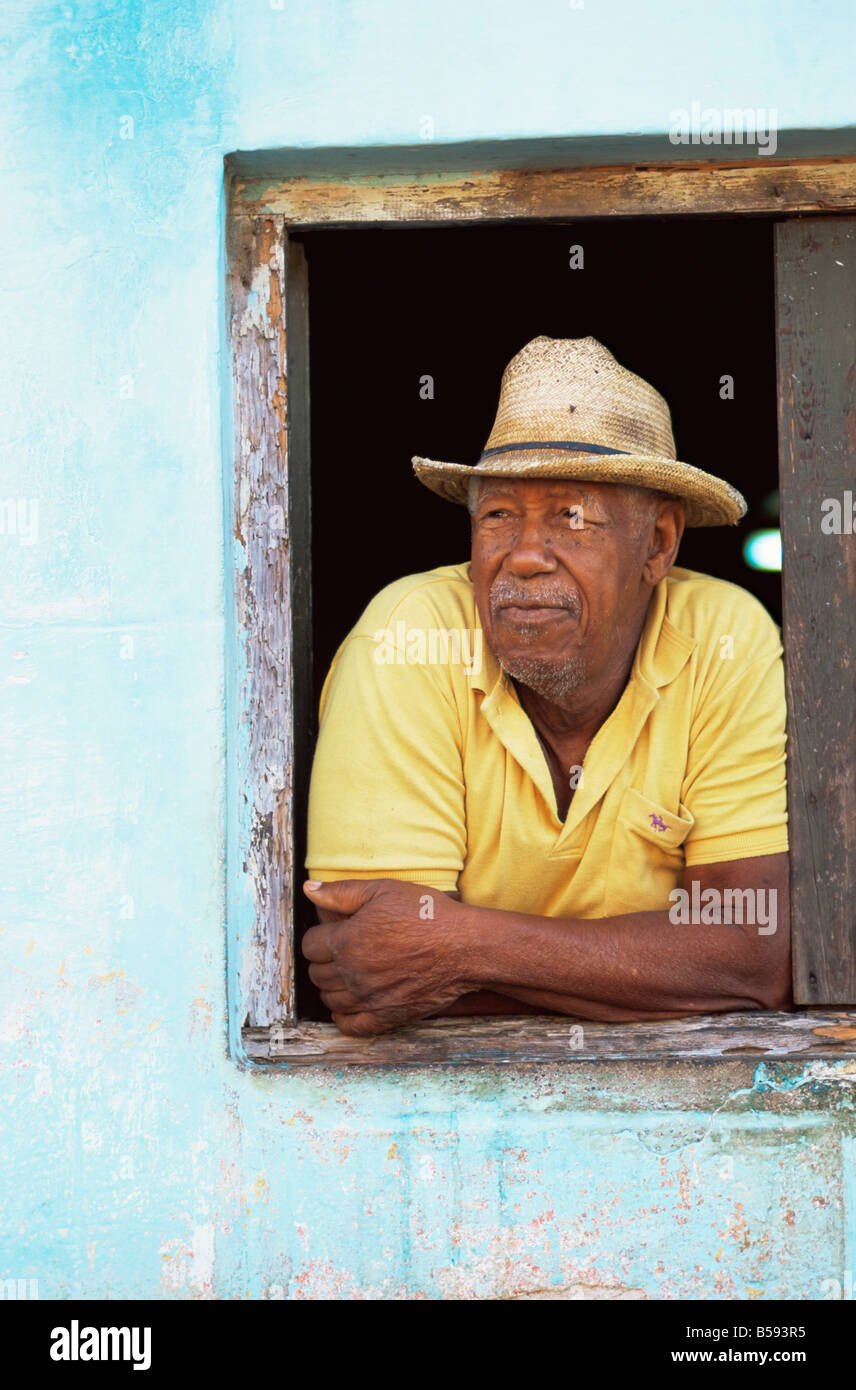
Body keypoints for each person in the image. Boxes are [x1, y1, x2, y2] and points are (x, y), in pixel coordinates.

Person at [302, 336, 790, 1036]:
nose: (524, 556)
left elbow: (753, 957)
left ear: (657, 544)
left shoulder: (723, 636)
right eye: (499, 514)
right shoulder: (406, 639)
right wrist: (652, 970)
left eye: (571, 515)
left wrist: (458, 947)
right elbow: (375, 973)